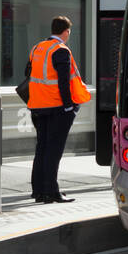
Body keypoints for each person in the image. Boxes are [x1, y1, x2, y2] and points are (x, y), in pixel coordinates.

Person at [28, 15, 91, 203]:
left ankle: (38, 190)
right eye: (69, 32)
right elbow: (64, 82)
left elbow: (28, 73)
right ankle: (51, 191)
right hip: (56, 107)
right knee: (54, 151)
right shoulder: (61, 50)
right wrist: (68, 106)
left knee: (42, 148)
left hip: (37, 107)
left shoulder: (37, 48)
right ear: (66, 31)